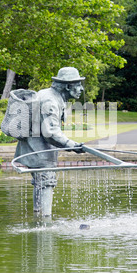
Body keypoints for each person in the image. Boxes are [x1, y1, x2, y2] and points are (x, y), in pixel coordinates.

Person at [13, 67, 85, 216]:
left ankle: (38, 215)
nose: (81, 89)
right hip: (40, 151)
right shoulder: (50, 100)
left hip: (35, 147)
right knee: (46, 182)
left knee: (40, 183)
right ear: (67, 86)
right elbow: (50, 132)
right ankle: (45, 221)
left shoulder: (47, 94)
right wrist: (71, 145)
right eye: (78, 85)